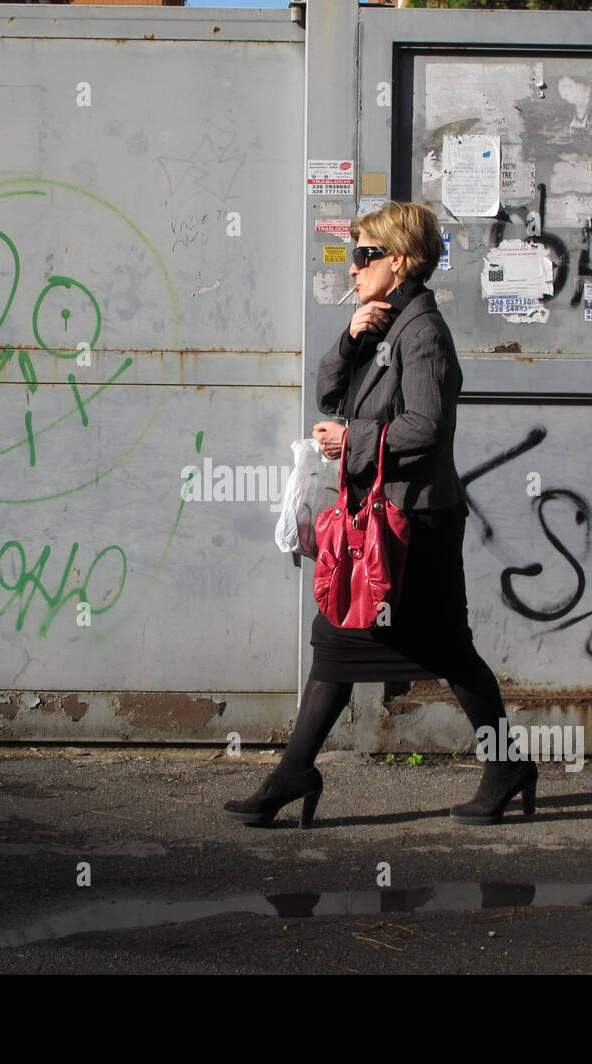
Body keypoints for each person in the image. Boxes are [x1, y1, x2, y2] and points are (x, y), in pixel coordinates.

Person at [224, 201, 535, 828]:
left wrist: (352, 442)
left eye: (364, 255)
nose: (353, 268)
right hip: (386, 517)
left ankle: (501, 767)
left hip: (414, 521)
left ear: (399, 260)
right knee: (353, 639)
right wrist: (350, 336)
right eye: (350, 254)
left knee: (437, 649)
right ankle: (296, 772)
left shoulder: (423, 333)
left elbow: (427, 425)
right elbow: (330, 393)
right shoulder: (386, 323)